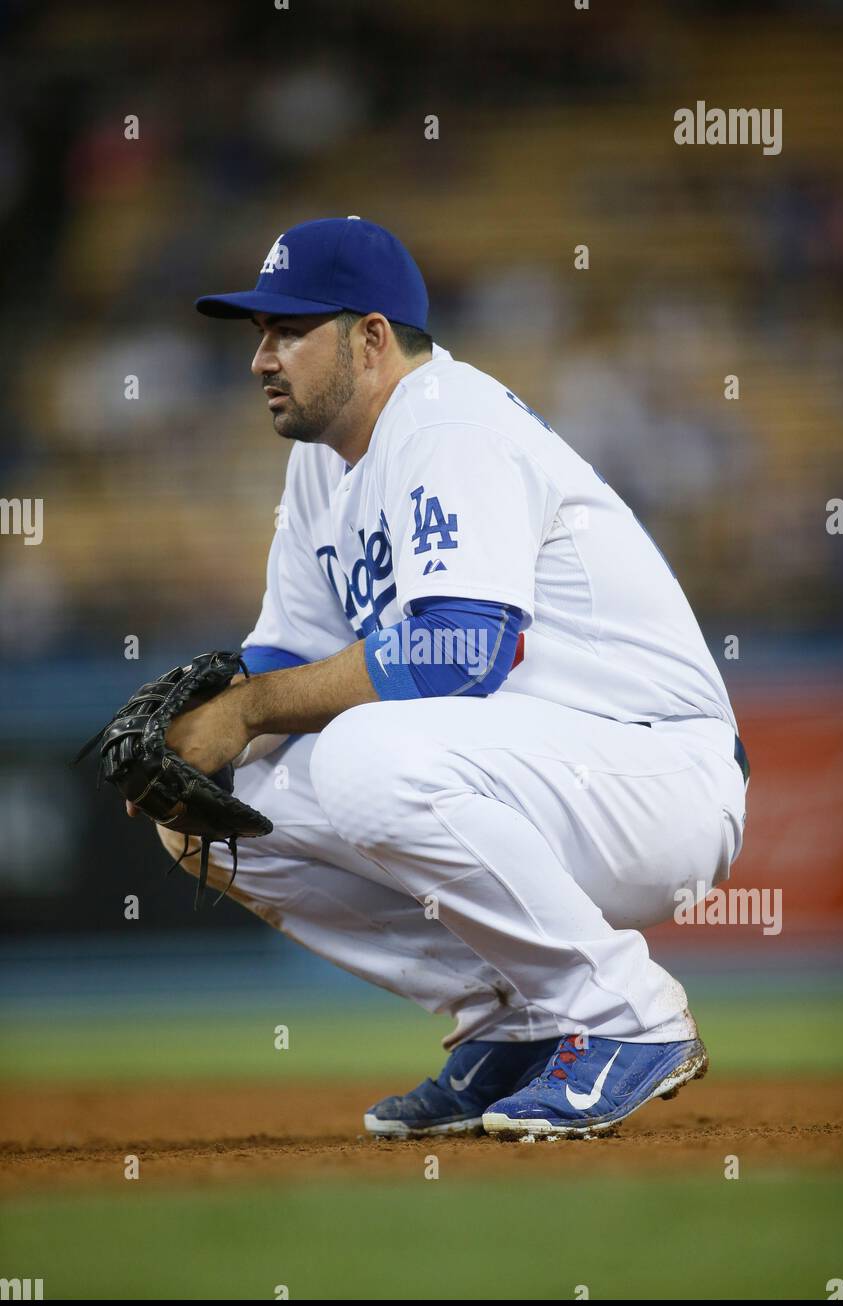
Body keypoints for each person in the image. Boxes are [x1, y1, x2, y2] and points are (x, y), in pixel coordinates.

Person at [155, 215, 748, 1140]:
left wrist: (251, 708)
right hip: (521, 770)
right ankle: (517, 1019)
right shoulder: (323, 463)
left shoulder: (447, 419)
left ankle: (628, 1016)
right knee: (213, 820)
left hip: (656, 772)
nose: (261, 358)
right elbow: (282, 662)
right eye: (259, 335)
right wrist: (189, 748)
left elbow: (459, 651)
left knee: (362, 754)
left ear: (373, 338)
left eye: (287, 332)